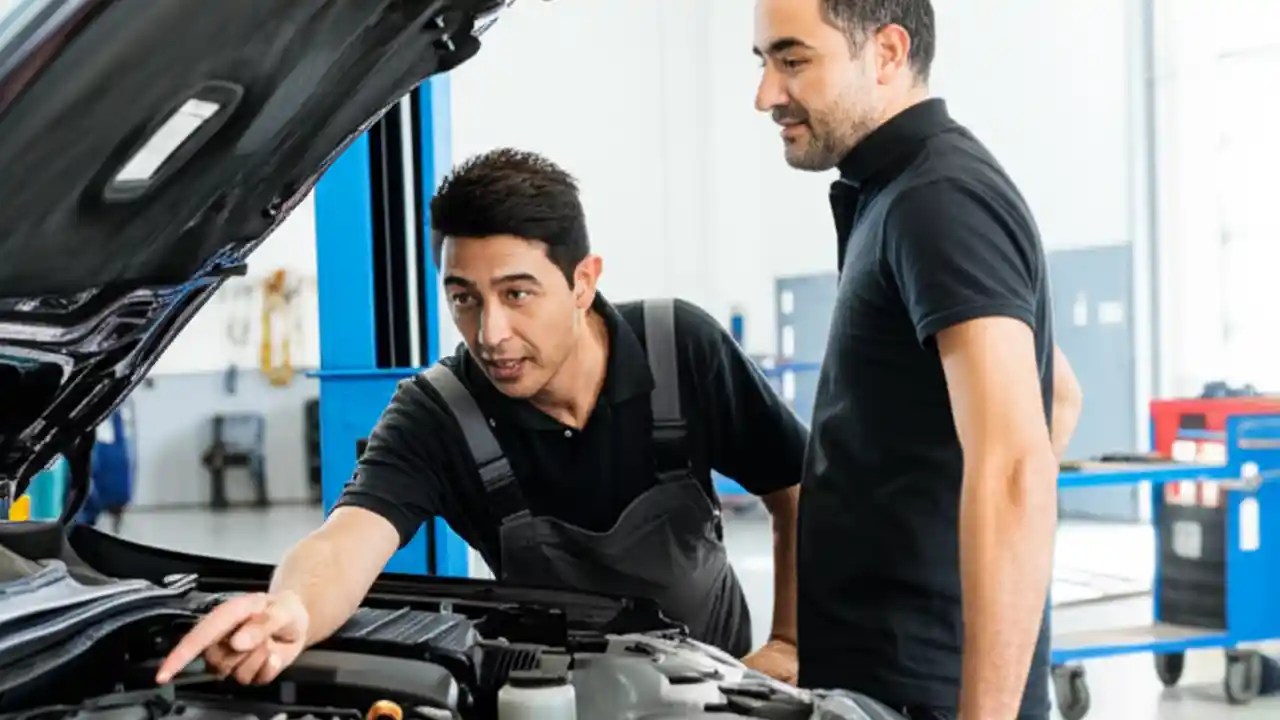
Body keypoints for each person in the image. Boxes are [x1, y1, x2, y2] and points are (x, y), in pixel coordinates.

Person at [155, 148, 807, 687]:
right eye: (463, 298)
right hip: (553, 697)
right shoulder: (438, 412)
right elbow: (347, 540)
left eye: (517, 294)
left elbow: (800, 489)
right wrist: (292, 605)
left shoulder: (679, 349)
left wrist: (788, 641)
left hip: (714, 691)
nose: (490, 333)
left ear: (582, 282)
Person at [752, 1, 1084, 719]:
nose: (767, 94)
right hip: (884, 680)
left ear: (887, 52)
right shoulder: (897, 192)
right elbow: (1057, 393)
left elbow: (1016, 467)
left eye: (793, 60)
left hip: (927, 694)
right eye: (765, 63)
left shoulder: (937, 200)